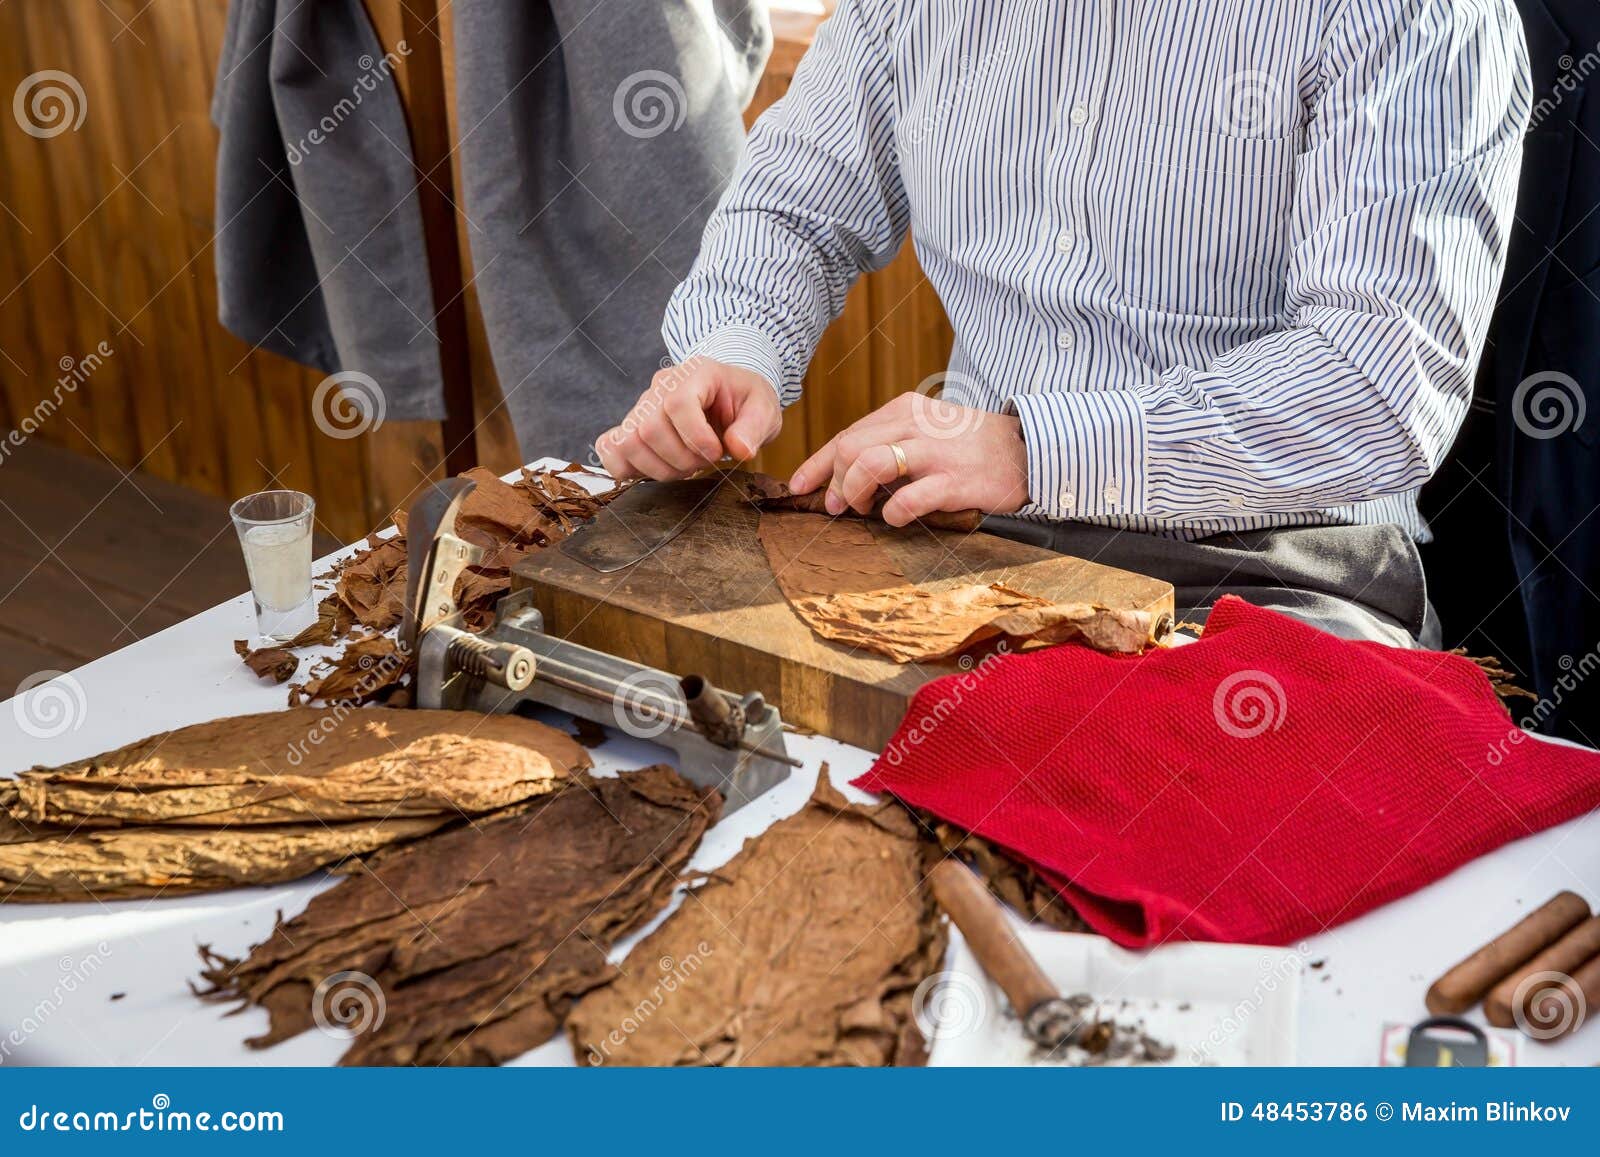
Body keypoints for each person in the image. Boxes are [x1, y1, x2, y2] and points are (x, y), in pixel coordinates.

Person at [596, 0, 1531, 648]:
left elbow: (1378, 389)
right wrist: (736, 349)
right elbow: (795, 203)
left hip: (1276, 575)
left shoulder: (1424, 19)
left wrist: (1035, 450)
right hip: (967, 538)